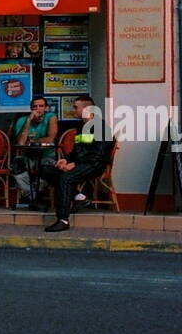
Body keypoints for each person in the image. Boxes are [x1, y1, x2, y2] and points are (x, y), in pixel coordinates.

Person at [40, 95, 116, 232]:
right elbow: (77, 150)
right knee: (46, 170)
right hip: (82, 163)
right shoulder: (82, 126)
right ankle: (79, 196)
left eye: (76, 107)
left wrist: (74, 165)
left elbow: (97, 155)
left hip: (94, 165)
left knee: (66, 178)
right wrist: (66, 160)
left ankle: (63, 220)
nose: (73, 110)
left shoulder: (101, 128)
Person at [10, 96, 59, 208]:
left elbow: (50, 138)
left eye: (41, 106)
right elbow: (21, 143)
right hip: (28, 156)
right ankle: (33, 196)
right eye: (35, 107)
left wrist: (32, 141)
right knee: (16, 166)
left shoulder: (51, 117)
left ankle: (33, 196)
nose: (38, 109)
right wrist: (28, 122)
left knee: (47, 169)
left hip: (46, 155)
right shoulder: (23, 120)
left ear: (46, 108)